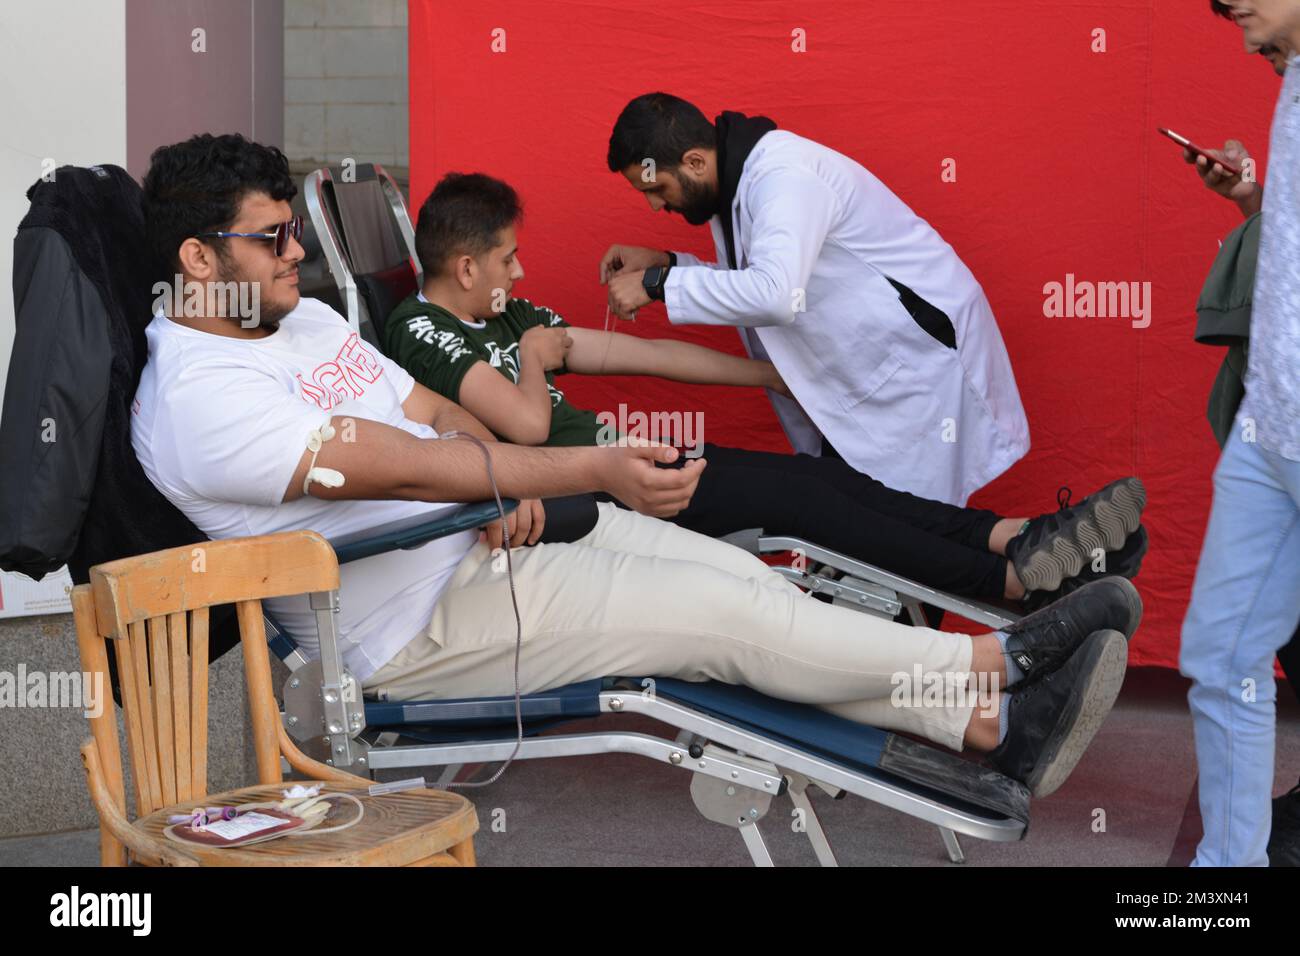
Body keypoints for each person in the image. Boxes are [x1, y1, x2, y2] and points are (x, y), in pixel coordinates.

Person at [129, 133, 1141, 799]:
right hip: (417, 628)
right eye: (272, 238)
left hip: (490, 540)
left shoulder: (298, 321)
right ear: (198, 259)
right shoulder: (197, 399)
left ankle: (981, 723)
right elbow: (400, 466)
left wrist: (490, 478)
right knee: (721, 621)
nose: (296, 254)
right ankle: (1000, 666)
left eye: (294, 232)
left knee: (749, 580)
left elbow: (428, 416)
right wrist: (562, 473)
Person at [384, 171, 1149, 610]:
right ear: (466, 267)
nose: (521, 273)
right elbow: (522, 427)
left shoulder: (508, 312)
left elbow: (648, 354)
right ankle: (1007, 582)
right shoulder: (421, 328)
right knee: (808, 507)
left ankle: (1013, 534)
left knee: (824, 479)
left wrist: (774, 375)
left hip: (631, 460)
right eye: (509, 260)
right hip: (591, 489)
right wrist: (531, 358)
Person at [599, 93, 1030, 507]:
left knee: (919, 520)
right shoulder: (736, 184)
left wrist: (657, 284)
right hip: (873, 361)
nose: (654, 205)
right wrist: (668, 263)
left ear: (694, 161)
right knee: (888, 515)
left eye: (657, 188)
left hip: (920, 353)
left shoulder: (784, 176)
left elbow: (774, 294)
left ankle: (1029, 548)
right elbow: (752, 279)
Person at [1177, 0, 1300, 865]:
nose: (1225, 5)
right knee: (1222, 658)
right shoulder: (1291, 78)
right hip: (1272, 421)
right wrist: (1257, 196)